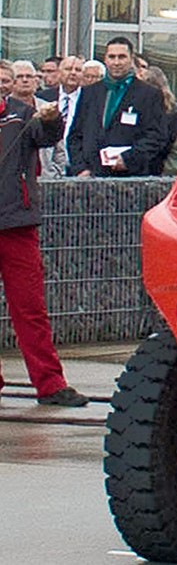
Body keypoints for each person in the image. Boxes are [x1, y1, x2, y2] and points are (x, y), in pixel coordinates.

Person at [0, 90, 89, 405]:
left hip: (17, 225)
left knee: (31, 309)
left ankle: (50, 383)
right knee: (29, 309)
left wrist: (53, 120)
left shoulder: (22, 114)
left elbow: (46, 135)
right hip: (17, 219)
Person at [68, 36, 173, 178]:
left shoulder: (149, 94)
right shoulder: (89, 92)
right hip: (91, 176)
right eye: (112, 57)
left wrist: (128, 159)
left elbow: (156, 137)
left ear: (131, 59)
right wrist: (80, 168)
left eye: (122, 57)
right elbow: (75, 135)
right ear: (105, 59)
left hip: (130, 177)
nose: (116, 62)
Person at [41, 55, 84, 177]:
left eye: (78, 70)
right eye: (68, 69)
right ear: (59, 72)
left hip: (79, 165)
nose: (73, 73)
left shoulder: (91, 99)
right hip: (51, 164)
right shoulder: (44, 97)